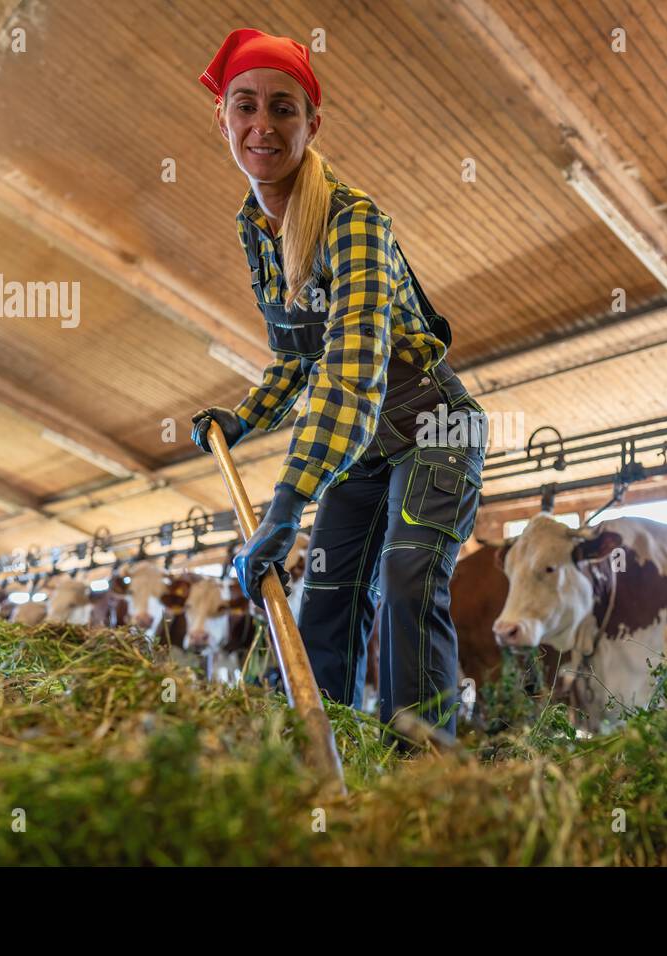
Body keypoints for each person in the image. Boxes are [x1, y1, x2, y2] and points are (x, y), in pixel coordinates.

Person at [189, 29, 486, 736]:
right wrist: (245, 417)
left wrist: (288, 502)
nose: (262, 125)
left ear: (310, 124)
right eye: (246, 106)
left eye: (283, 109)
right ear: (223, 118)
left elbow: (351, 366)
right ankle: (325, 759)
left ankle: (421, 771)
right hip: (363, 451)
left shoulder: (355, 221)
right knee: (327, 596)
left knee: (409, 577)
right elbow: (298, 356)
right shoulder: (255, 227)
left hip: (430, 429)